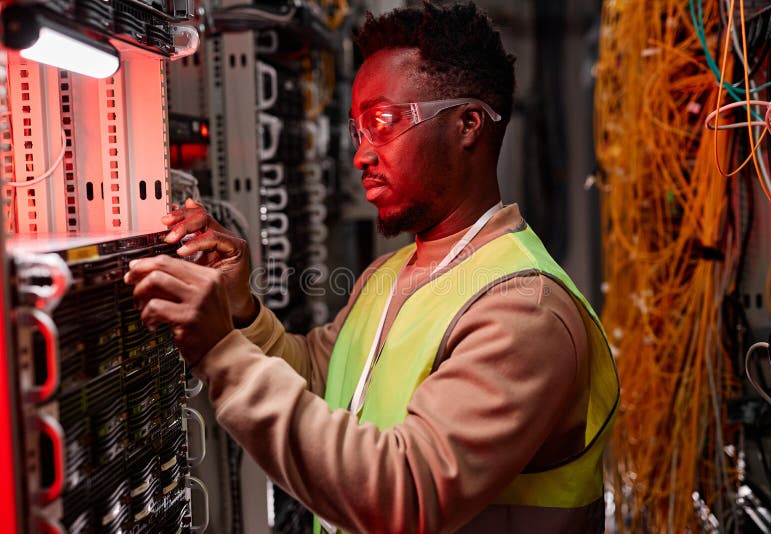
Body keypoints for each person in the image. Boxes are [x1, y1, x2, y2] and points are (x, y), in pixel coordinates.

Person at [124, 2, 619, 532]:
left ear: (468, 125)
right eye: (358, 131)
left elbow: (402, 493)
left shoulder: (523, 310)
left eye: (382, 123)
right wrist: (239, 311)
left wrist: (219, 350)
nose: (360, 155)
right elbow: (322, 383)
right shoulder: (390, 274)